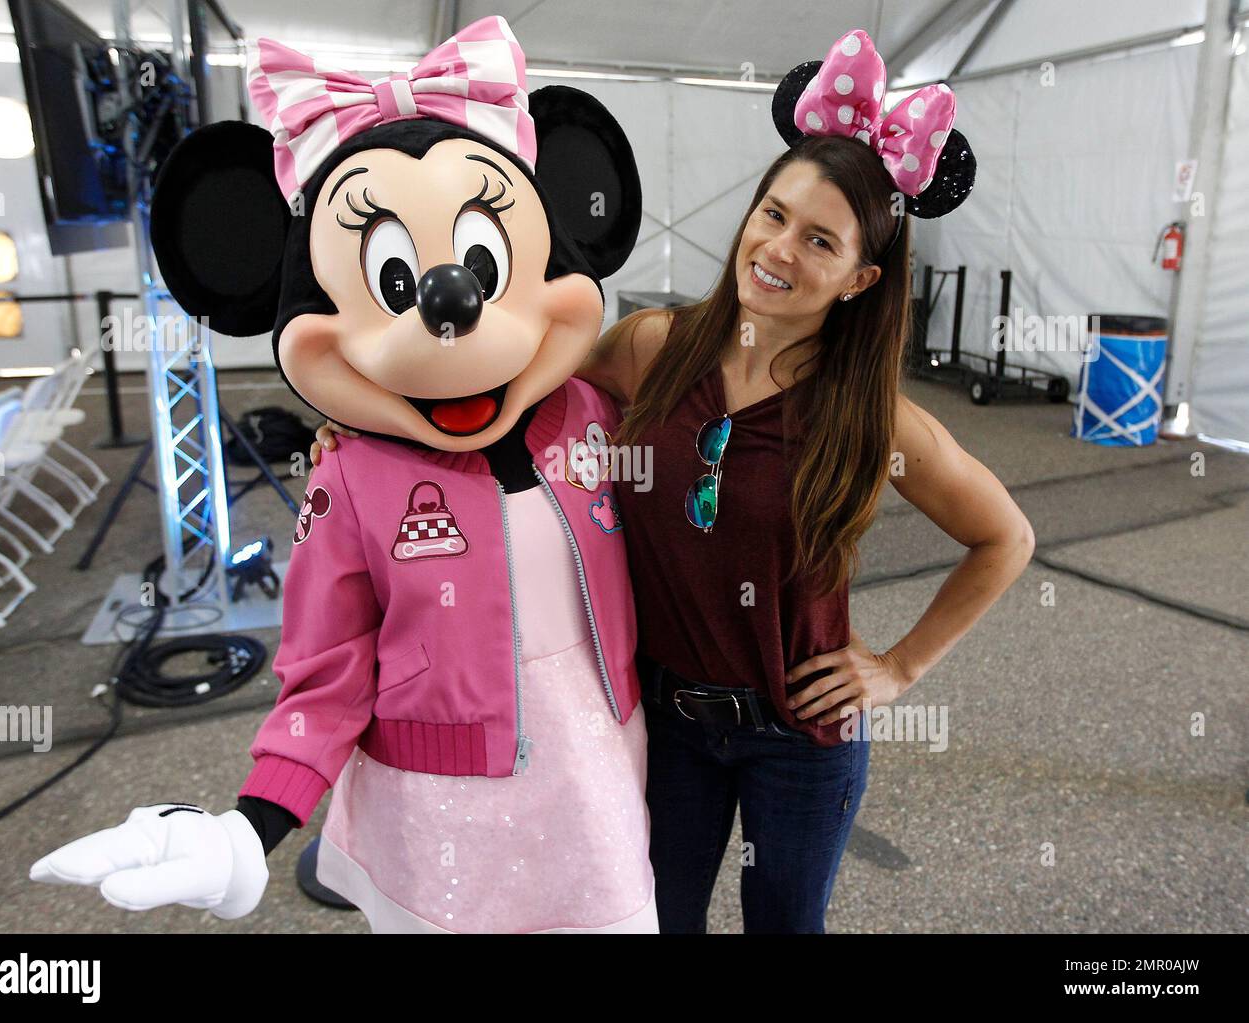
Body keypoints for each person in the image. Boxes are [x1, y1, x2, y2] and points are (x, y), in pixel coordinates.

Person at [314, 27, 1035, 934]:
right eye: (773, 214)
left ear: (860, 279)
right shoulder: (655, 348)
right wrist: (369, 426)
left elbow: (1006, 537)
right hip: (666, 719)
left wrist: (898, 665)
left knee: (783, 923)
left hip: (797, 740)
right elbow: (514, 400)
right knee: (658, 917)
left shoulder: (875, 420)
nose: (778, 248)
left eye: (820, 240)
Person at [30, 15, 658, 934]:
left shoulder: (594, 417)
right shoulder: (352, 476)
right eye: (399, 283)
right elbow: (325, 673)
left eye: (481, 264)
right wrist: (252, 826)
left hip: (598, 794)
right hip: (438, 821)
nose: (452, 305)